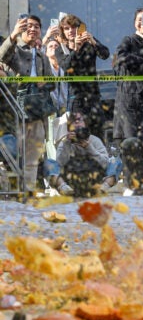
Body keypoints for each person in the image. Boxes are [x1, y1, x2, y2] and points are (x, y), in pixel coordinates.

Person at [0, 14, 55, 193]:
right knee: (15, 155)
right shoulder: (14, 50)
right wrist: (13, 35)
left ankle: (28, 191)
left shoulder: (42, 56)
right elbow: (1, 56)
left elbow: (53, 82)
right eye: (29, 26)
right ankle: (13, 191)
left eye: (37, 26)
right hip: (16, 111)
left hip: (37, 112)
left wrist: (44, 83)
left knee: (33, 157)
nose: (33, 29)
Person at [113, 8, 143, 147]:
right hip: (130, 101)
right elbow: (120, 58)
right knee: (132, 143)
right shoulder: (128, 41)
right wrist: (142, 62)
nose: (142, 23)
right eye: (139, 20)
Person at [57, 14, 111, 140]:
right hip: (76, 98)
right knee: (78, 136)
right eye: (66, 28)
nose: (71, 31)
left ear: (80, 28)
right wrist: (75, 49)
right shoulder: (61, 49)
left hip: (93, 97)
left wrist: (93, 41)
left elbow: (105, 54)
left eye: (74, 27)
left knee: (98, 134)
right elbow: (67, 67)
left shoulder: (89, 44)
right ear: (63, 31)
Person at [56, 111, 123, 196]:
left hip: (94, 178)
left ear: (85, 124)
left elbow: (106, 164)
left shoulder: (94, 140)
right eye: (73, 121)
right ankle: (64, 188)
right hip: (72, 179)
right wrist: (67, 143)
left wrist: (89, 148)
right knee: (49, 163)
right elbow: (59, 164)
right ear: (69, 127)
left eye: (80, 120)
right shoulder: (65, 142)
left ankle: (104, 186)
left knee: (115, 159)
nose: (77, 122)